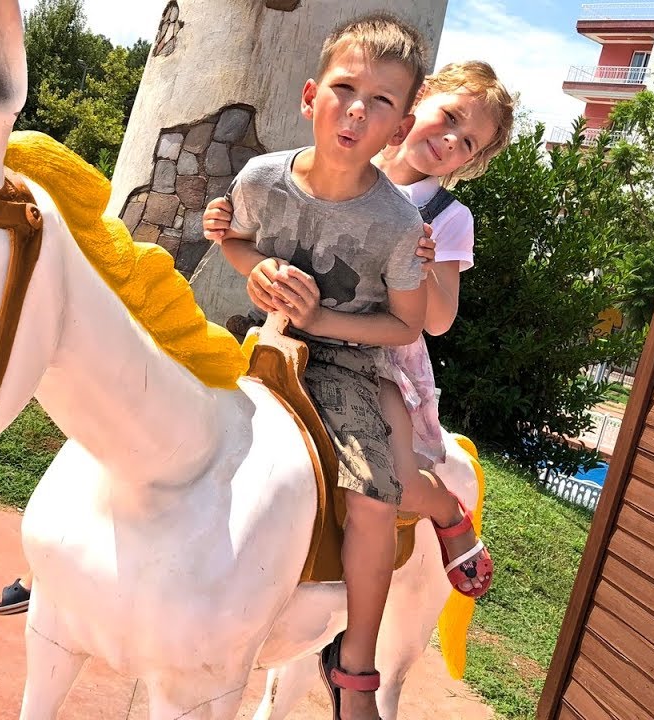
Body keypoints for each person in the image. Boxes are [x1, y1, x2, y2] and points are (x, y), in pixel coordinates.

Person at [204, 61, 514, 601]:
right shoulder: (341, 156)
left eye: (467, 143)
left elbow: (436, 321)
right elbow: (262, 226)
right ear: (417, 101)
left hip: (373, 350)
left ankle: (445, 508)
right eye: (448, 118)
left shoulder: (446, 214)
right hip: (289, 330)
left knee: (388, 481)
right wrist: (225, 228)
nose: (449, 141)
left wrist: (421, 261)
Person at [211, 14, 430, 719]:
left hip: (344, 366)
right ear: (311, 96)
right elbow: (238, 245)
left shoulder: (397, 224)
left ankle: (357, 670)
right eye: (345, 88)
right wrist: (259, 269)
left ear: (397, 130)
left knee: (372, 497)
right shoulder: (260, 177)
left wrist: (321, 320)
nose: (358, 109)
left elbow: (407, 323)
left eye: (383, 101)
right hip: (256, 335)